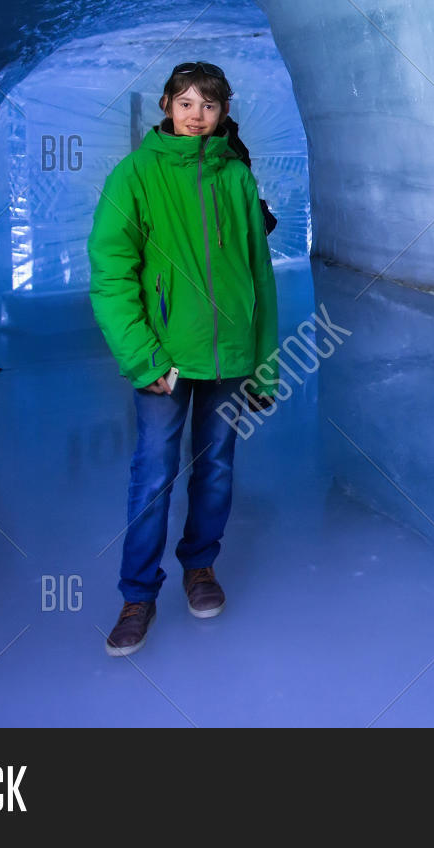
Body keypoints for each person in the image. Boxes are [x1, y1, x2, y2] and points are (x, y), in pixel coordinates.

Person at [87, 61, 280, 657]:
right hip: (165, 363)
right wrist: (145, 360)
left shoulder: (237, 177)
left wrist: (265, 363)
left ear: (224, 112)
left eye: (210, 105)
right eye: (187, 103)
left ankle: (201, 567)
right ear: (167, 106)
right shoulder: (135, 176)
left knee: (216, 466)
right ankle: (137, 595)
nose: (198, 116)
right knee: (153, 474)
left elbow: (259, 276)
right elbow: (112, 275)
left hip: (230, 357)